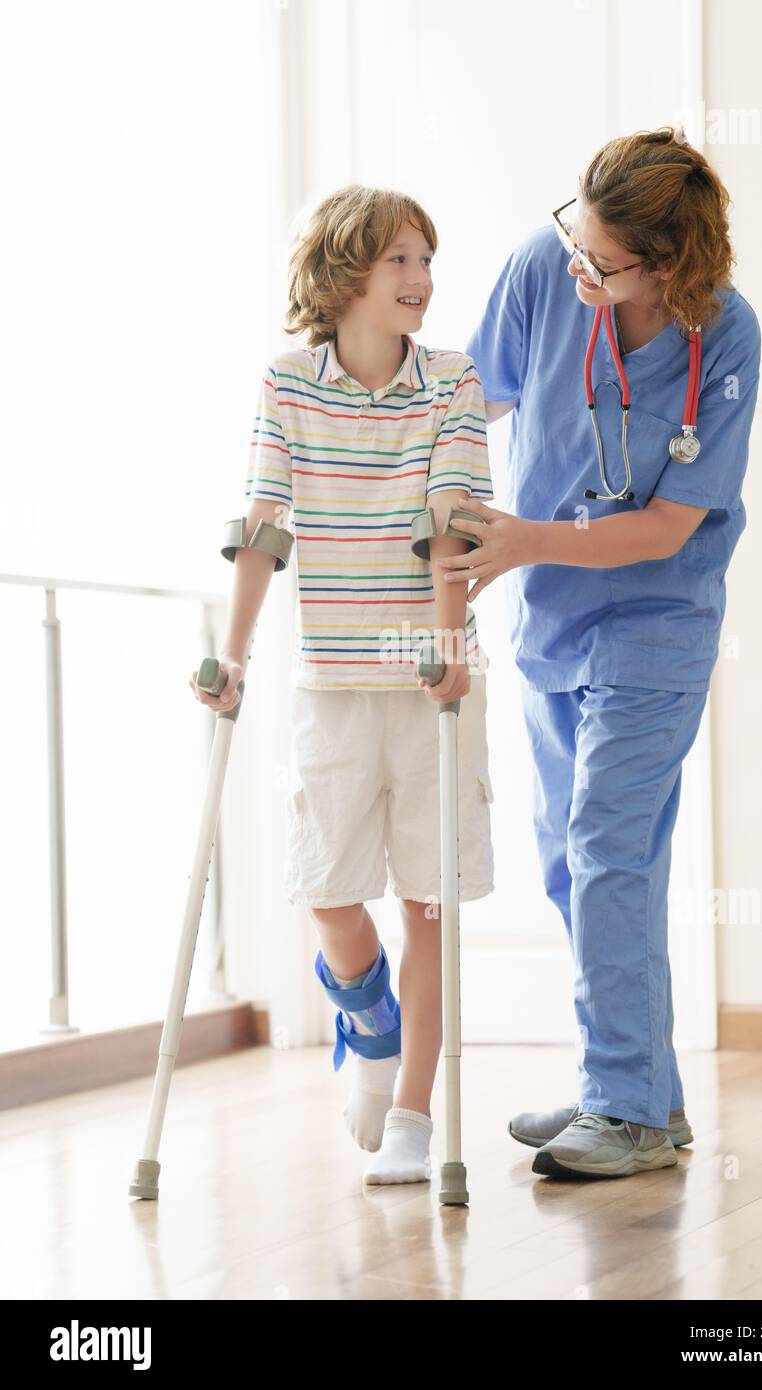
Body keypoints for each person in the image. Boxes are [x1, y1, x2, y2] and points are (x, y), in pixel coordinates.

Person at [441, 127, 761, 1179]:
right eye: (571, 240)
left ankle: (619, 1100)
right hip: (554, 619)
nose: (575, 265)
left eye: (602, 261)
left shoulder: (725, 337)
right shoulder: (545, 266)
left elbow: (669, 524)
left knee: (604, 844)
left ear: (664, 265)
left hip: (657, 621)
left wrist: (522, 538)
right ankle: (640, 1098)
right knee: (568, 862)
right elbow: (465, 399)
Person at [189, 185, 495, 1186]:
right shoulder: (289, 383)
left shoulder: (449, 380)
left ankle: (413, 1111)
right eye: (399, 260)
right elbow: (262, 523)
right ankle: (367, 1020)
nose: (421, 279)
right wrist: (230, 655)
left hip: (430, 682)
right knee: (326, 891)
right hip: (328, 681)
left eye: (426, 259)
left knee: (430, 901)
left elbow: (453, 520)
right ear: (343, 273)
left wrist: (447, 644)